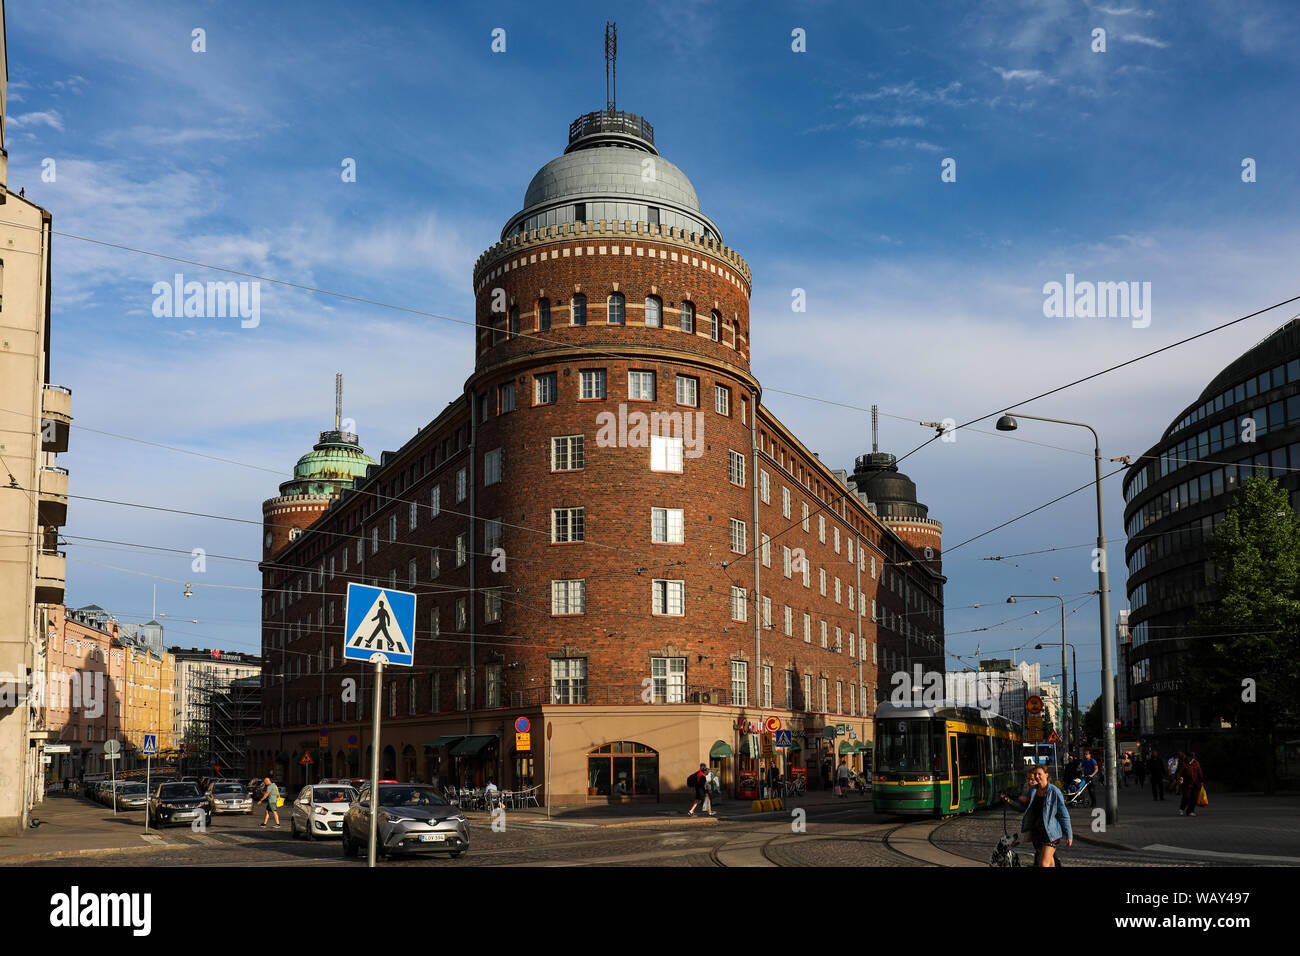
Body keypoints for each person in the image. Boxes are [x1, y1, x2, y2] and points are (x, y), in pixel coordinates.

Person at [1002, 765, 1072, 867]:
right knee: (1050, 862)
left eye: (1040, 774)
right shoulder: (1033, 791)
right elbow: (1023, 808)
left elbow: (1064, 814)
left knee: (1043, 864)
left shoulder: (1054, 791)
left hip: (1051, 833)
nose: (1037, 776)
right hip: (1037, 833)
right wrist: (1010, 802)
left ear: (1046, 775)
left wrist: (1069, 834)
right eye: (1035, 774)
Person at [1176, 753, 1203, 817]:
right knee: (1187, 797)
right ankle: (1181, 809)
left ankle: (1190, 811)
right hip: (1187, 783)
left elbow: (1199, 772)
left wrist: (1201, 780)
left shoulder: (1196, 763)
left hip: (1196, 783)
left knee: (1194, 798)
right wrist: (1179, 779)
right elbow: (1178, 773)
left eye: (1192, 758)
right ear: (1187, 757)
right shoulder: (1183, 764)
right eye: (1190, 757)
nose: (1191, 759)